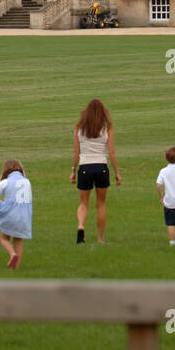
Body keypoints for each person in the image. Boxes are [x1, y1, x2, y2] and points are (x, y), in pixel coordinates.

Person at [71, 98, 121, 243]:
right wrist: (117, 172)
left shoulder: (79, 129)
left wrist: (73, 171)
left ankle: (81, 225)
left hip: (85, 167)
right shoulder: (107, 128)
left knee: (83, 203)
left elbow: (76, 153)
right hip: (101, 167)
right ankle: (100, 238)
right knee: (101, 204)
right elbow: (111, 152)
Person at [0, 159, 32, 269]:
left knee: (4, 238)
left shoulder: (5, 182)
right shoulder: (27, 182)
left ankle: (12, 254)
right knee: (18, 240)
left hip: (11, 215)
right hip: (25, 216)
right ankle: (16, 267)